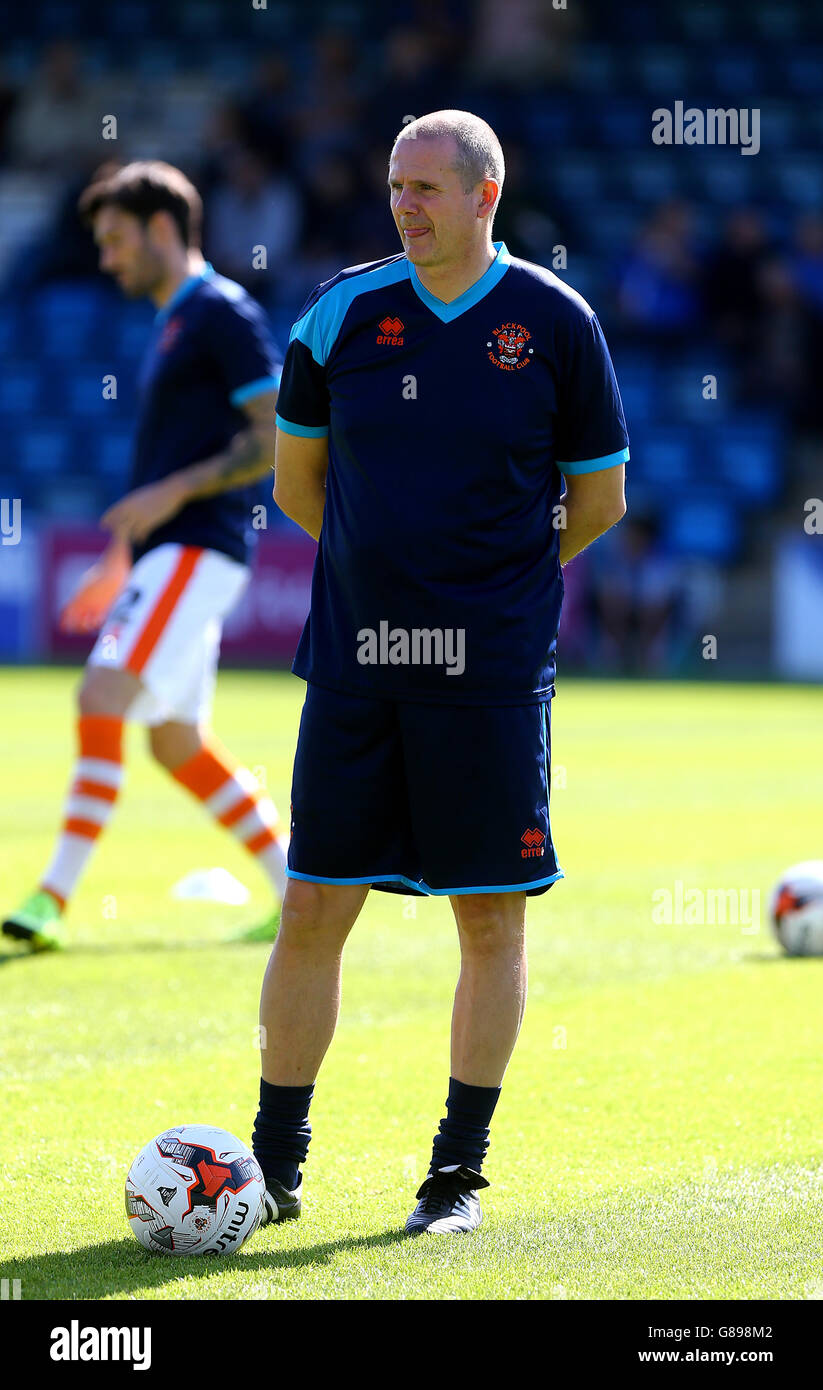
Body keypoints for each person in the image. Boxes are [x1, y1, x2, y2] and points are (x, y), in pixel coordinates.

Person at [250, 110, 628, 1236]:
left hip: (493, 678)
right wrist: (391, 585)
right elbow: (297, 487)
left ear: (485, 196)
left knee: (490, 927)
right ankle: (274, 1167)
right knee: (313, 907)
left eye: (426, 187)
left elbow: (598, 500)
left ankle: (454, 1178)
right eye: (395, 185)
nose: (405, 205)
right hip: (359, 667)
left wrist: (492, 593)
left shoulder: (556, 324)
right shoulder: (341, 313)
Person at [3, 161, 288, 952]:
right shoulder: (173, 324)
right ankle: (297, 888)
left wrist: (174, 496)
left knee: (99, 695)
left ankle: (51, 897)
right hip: (174, 555)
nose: (107, 259)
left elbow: (273, 438)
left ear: (163, 229)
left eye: (117, 240)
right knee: (174, 742)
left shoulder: (221, 314)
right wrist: (125, 555)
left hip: (201, 549)